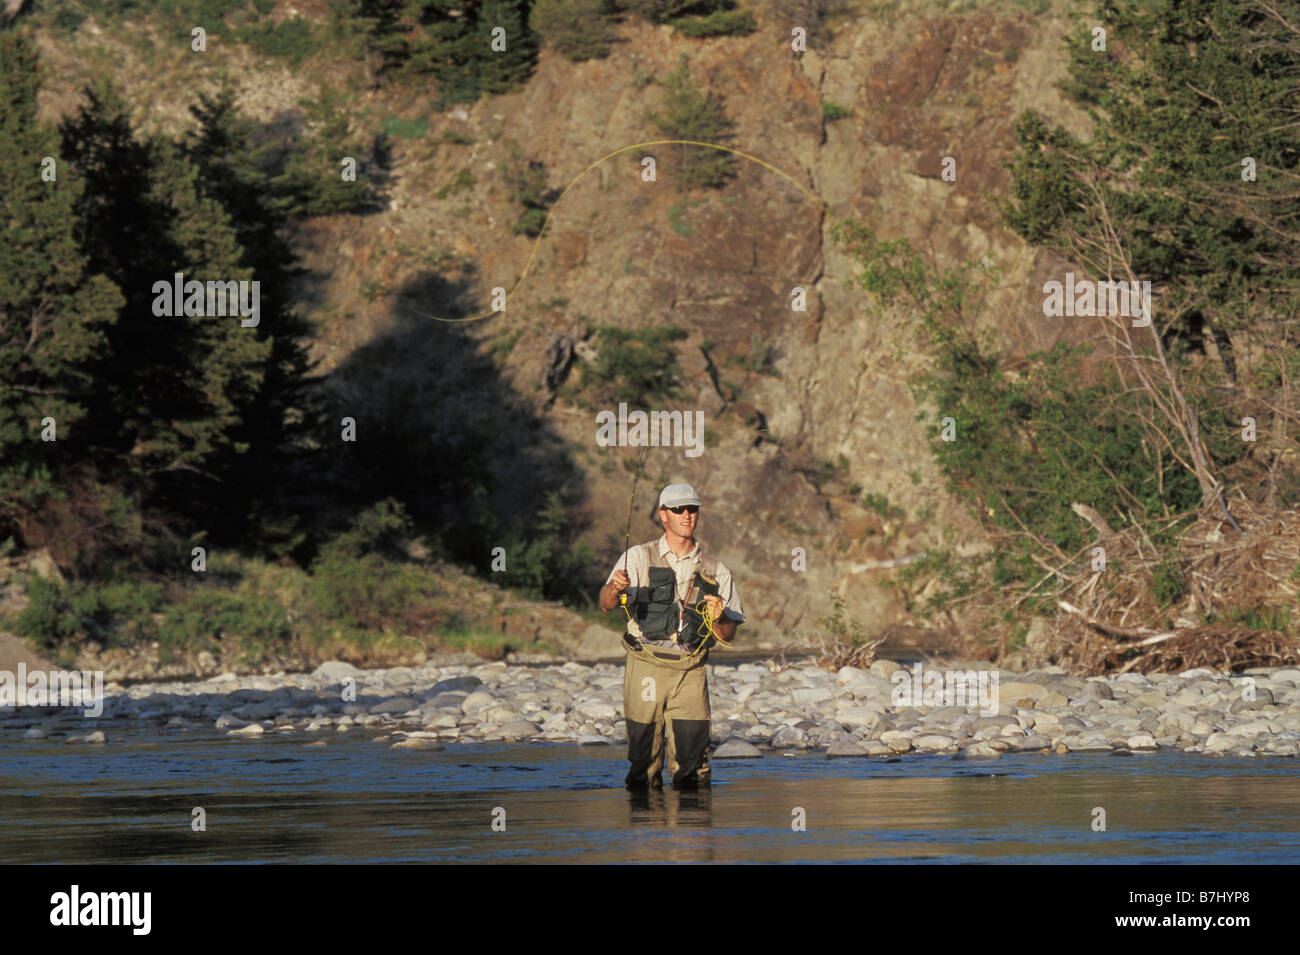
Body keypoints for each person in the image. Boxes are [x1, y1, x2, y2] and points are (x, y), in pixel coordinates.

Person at [599, 483, 744, 791]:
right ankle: (648, 835)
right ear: (663, 515)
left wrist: (719, 616)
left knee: (693, 765)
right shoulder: (638, 557)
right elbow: (605, 604)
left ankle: (691, 834)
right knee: (643, 762)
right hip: (646, 667)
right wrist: (614, 588)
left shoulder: (717, 570)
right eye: (678, 510)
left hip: (691, 670)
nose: (686, 515)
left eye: (692, 509)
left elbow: (729, 634)